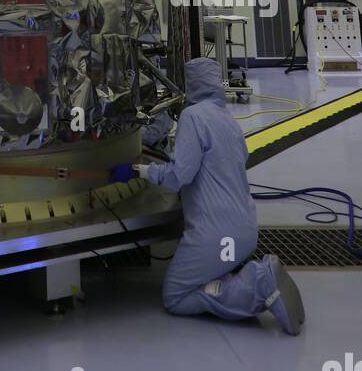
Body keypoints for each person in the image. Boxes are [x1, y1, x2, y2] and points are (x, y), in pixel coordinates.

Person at [112, 56, 304, 333]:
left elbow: (180, 176)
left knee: (175, 296)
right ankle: (235, 282)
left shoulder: (193, 116)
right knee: (206, 278)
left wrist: (139, 170)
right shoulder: (228, 119)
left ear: (191, 85)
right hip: (246, 230)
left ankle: (259, 281)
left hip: (216, 234)